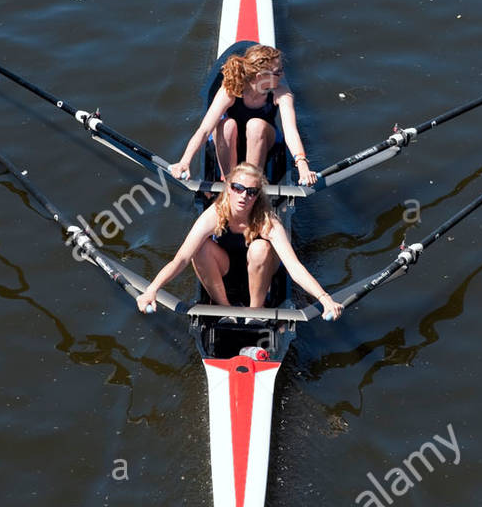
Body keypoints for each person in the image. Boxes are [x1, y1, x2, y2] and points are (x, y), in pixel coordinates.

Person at [136, 163, 342, 318]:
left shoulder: (266, 220)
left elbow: (294, 267)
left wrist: (324, 298)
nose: (244, 196)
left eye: (251, 192)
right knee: (199, 249)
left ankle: (255, 312)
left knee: (261, 247)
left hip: (260, 273)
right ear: (227, 187)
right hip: (224, 269)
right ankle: (225, 310)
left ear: (257, 196)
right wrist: (152, 290)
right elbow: (180, 259)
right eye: (237, 188)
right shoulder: (213, 215)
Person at [169, 45, 317, 186]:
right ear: (261, 76)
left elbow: (291, 131)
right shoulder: (230, 89)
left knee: (255, 125)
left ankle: (251, 184)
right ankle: (229, 182)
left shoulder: (281, 93)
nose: (282, 75)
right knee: (226, 125)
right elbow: (205, 130)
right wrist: (185, 161)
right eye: (278, 72)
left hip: (264, 140)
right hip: (230, 139)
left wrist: (302, 164)